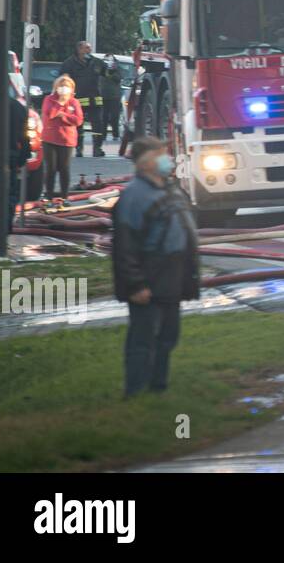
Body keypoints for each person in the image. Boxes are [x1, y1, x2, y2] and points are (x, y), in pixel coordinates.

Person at [112, 136, 201, 397]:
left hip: (171, 277)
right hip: (150, 277)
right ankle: (136, 390)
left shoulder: (169, 188)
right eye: (161, 154)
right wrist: (136, 284)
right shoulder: (134, 197)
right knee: (143, 337)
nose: (167, 159)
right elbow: (125, 248)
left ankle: (158, 386)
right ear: (146, 162)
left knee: (167, 335)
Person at [0, 83, 33, 246]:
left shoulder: (4, 111)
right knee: (8, 198)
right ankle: (2, 232)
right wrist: (21, 159)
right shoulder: (18, 107)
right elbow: (25, 139)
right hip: (10, 163)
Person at [59, 41, 107, 157]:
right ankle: (79, 148)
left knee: (98, 125)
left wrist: (111, 68)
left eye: (89, 48)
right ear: (79, 49)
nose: (89, 50)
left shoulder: (97, 62)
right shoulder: (69, 63)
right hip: (77, 100)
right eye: (86, 48)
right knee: (77, 126)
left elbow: (107, 73)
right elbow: (63, 80)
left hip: (95, 100)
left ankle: (97, 148)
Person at [40, 74, 83, 200]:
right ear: (56, 87)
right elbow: (50, 113)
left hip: (67, 140)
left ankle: (64, 197)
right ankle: (48, 195)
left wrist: (62, 115)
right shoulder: (49, 99)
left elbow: (78, 120)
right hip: (50, 139)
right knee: (51, 169)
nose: (64, 89)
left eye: (67, 87)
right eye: (61, 86)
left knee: (64, 169)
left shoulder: (74, 102)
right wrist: (61, 104)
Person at [99, 55, 124, 142]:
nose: (108, 62)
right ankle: (103, 135)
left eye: (110, 60)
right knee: (103, 117)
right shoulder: (101, 68)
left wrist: (112, 70)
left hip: (114, 96)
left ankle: (115, 134)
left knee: (114, 117)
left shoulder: (117, 68)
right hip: (103, 96)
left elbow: (119, 78)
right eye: (107, 60)